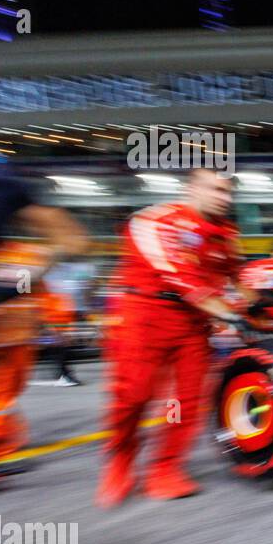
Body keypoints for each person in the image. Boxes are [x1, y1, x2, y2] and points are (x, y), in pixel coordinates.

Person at [96, 167, 242, 507]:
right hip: (144, 316)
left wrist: (256, 305)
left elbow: (236, 275)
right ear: (191, 189)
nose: (225, 198)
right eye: (217, 190)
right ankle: (121, 458)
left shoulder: (225, 233)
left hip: (193, 325)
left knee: (185, 402)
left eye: (228, 192)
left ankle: (164, 468)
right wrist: (232, 315)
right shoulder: (155, 221)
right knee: (133, 395)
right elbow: (177, 273)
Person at [0, 158, 87, 493]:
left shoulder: (17, 253)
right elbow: (69, 245)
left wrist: (55, 322)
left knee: (4, 397)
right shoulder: (10, 251)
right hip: (0, 337)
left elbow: (40, 291)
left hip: (14, 337)